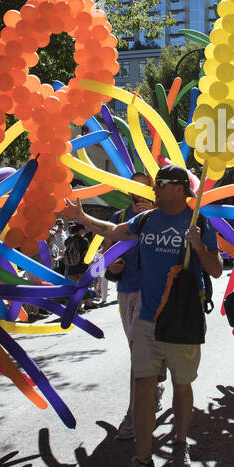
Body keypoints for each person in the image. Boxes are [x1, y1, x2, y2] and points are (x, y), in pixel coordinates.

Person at [61, 163, 221, 467]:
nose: (155, 190)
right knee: (144, 386)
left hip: (181, 321)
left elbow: (217, 270)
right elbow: (115, 231)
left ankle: (179, 443)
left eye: (160, 185)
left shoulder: (199, 223)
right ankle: (144, 462)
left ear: (179, 188)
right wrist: (82, 219)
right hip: (147, 321)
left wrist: (200, 247)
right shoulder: (146, 220)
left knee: (182, 384)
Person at [102, 174, 163, 440]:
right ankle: (154, 385)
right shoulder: (118, 217)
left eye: (143, 188)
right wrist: (109, 265)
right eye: (133, 189)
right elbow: (104, 254)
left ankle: (133, 414)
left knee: (139, 353)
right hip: (126, 291)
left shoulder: (162, 215)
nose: (138, 195)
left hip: (153, 292)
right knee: (138, 351)